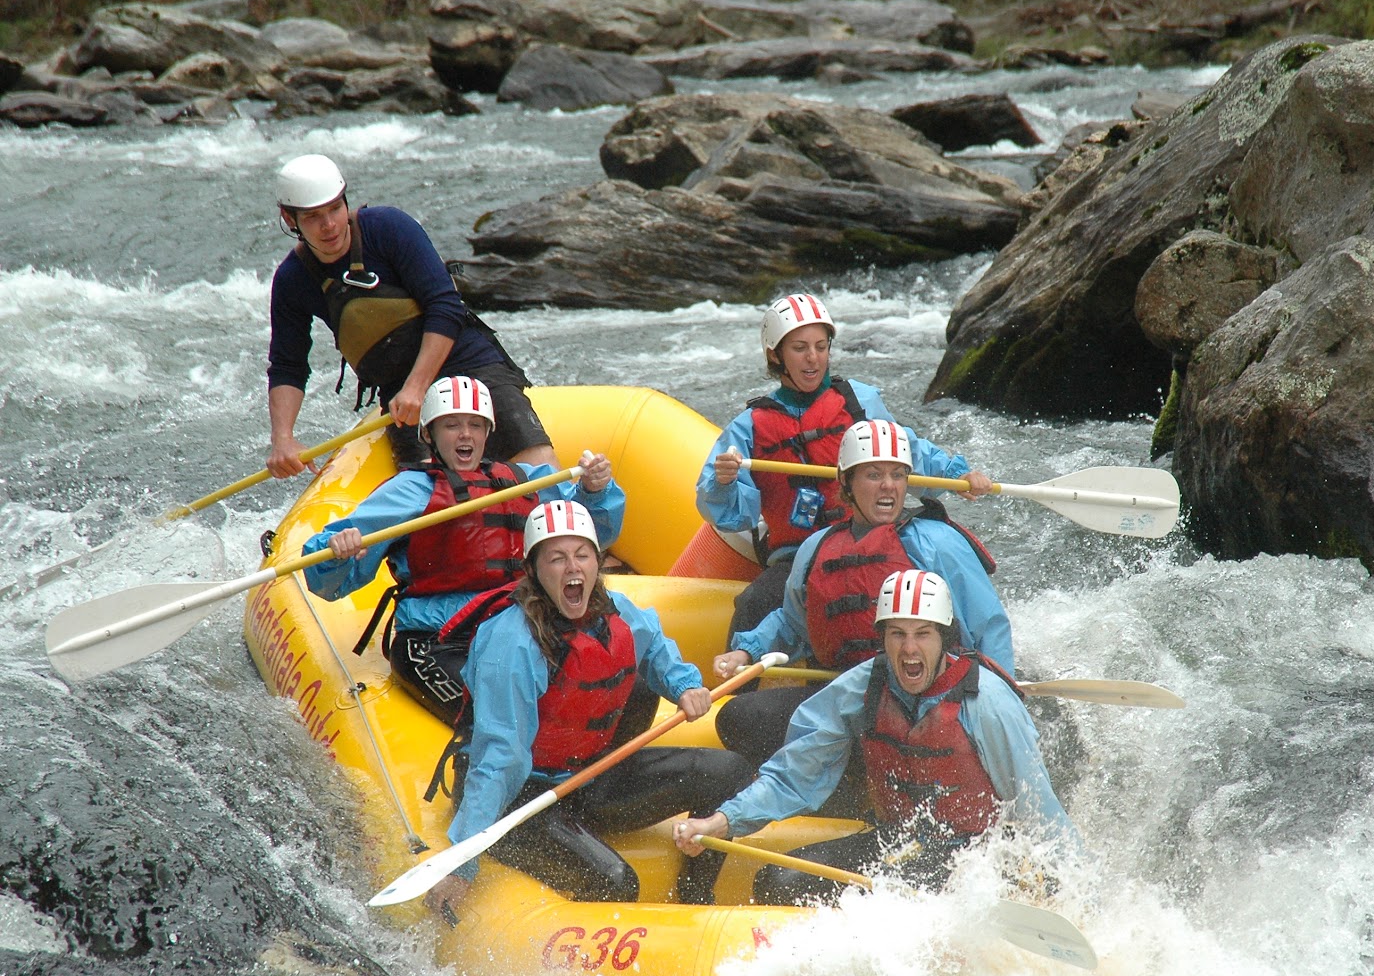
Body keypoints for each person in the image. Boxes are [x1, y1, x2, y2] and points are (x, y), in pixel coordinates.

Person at [424, 501, 754, 917]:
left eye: (582, 555)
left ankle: (695, 901)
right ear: (534, 569)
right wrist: (461, 864)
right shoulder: (512, 643)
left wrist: (684, 685)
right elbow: (499, 757)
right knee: (616, 882)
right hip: (520, 796)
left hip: (589, 776)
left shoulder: (616, 612)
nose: (572, 568)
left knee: (730, 771)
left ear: (597, 563)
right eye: (556, 558)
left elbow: (655, 646)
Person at [673, 570, 1078, 906]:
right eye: (897, 634)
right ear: (882, 638)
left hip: (978, 858)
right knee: (776, 883)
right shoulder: (861, 686)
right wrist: (723, 821)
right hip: (897, 842)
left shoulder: (988, 703)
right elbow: (794, 774)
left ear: (944, 639)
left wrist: (1069, 887)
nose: (909, 648)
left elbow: (1037, 806)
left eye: (923, 634)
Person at [302, 375, 623, 724]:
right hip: (437, 642)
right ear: (429, 435)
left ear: (488, 432)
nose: (465, 435)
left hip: (520, 629)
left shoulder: (526, 480)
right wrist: (338, 551)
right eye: (452, 425)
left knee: (596, 692)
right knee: (500, 718)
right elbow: (328, 582)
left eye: (475, 425)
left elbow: (594, 532)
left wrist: (595, 490)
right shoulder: (408, 491)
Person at [712, 419, 1013, 770]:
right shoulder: (816, 548)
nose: (888, 486)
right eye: (873, 475)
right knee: (739, 718)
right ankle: (832, 784)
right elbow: (792, 623)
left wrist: (1000, 707)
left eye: (898, 475)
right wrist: (747, 650)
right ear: (846, 482)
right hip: (848, 697)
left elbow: (989, 627)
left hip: (927, 703)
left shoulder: (939, 543)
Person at [695, 293, 992, 637]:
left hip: (870, 535)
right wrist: (724, 482)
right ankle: (743, 668)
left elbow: (908, 451)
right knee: (753, 605)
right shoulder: (748, 427)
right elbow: (729, 515)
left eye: (821, 347)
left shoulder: (857, 401)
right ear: (775, 355)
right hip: (799, 555)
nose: (813, 358)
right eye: (800, 348)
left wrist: (957, 474)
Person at [266, 152, 559, 476]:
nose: (330, 225)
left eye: (335, 208)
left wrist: (417, 388)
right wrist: (283, 438)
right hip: (399, 391)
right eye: (313, 217)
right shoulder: (292, 280)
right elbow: (288, 366)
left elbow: (445, 306)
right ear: (290, 218)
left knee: (534, 456)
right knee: (425, 485)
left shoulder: (388, 228)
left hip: (470, 363)